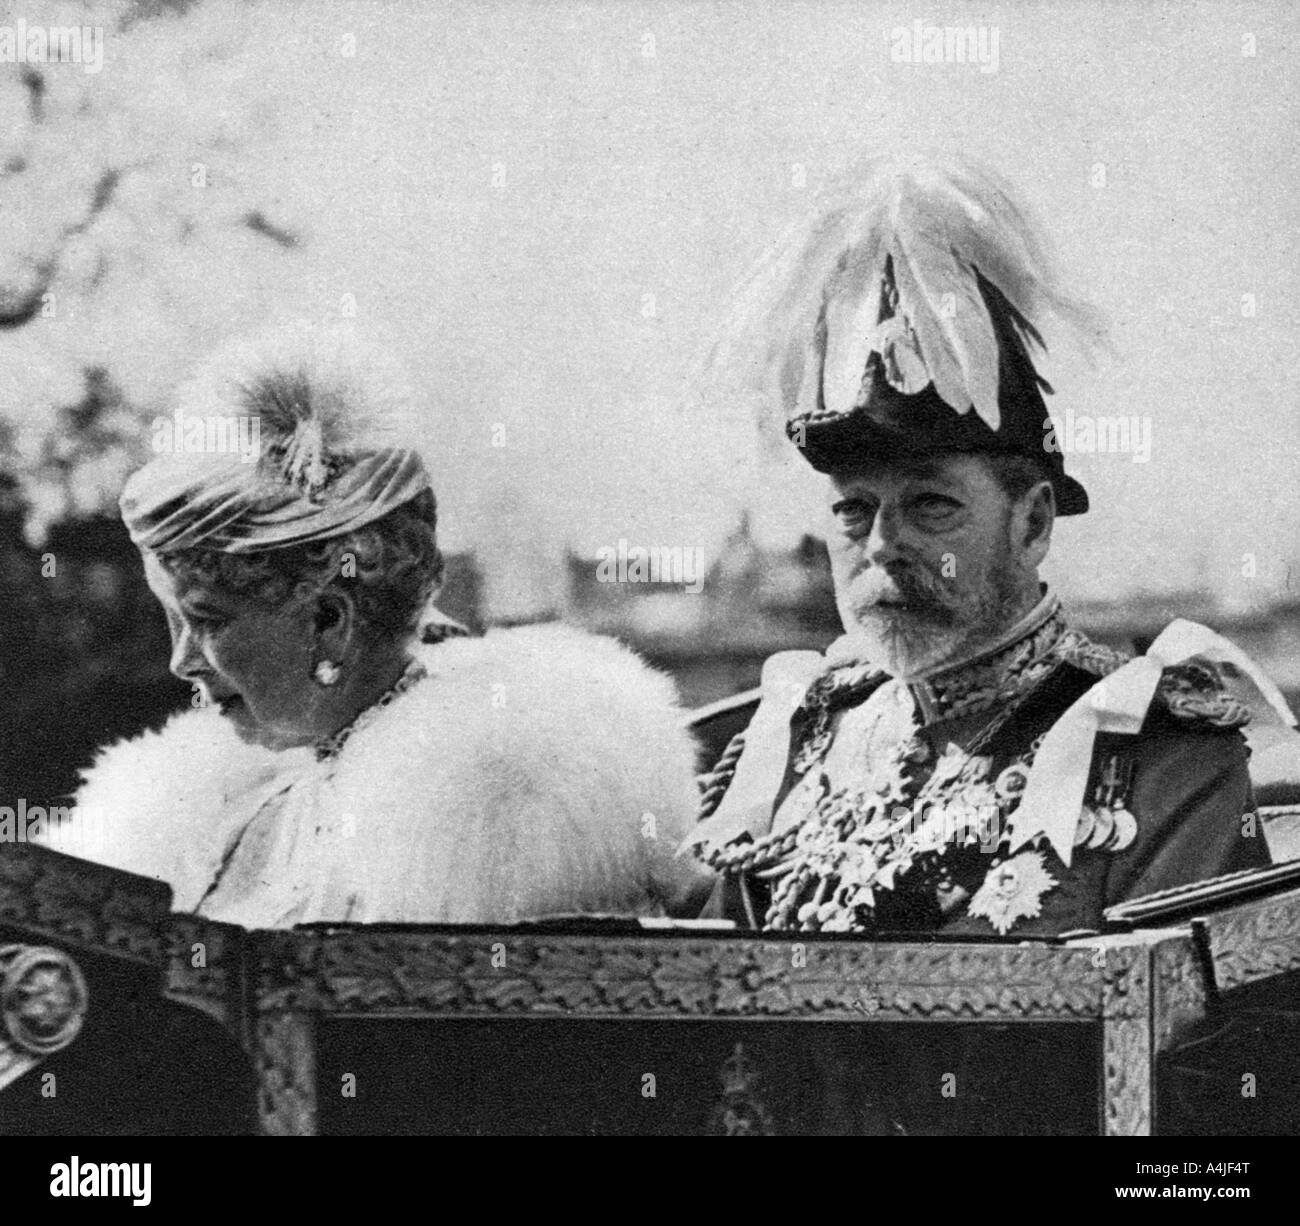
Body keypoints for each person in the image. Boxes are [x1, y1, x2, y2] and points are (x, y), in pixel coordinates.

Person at [686, 155, 1293, 936]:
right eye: (853, 511)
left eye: (931, 506)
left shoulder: (1162, 762)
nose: (883, 545)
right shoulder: (795, 741)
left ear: (1032, 524)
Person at [64, 323, 708, 928]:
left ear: (328, 620)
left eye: (206, 620)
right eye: (175, 621)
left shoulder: (499, 809)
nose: (181, 660)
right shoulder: (212, 802)